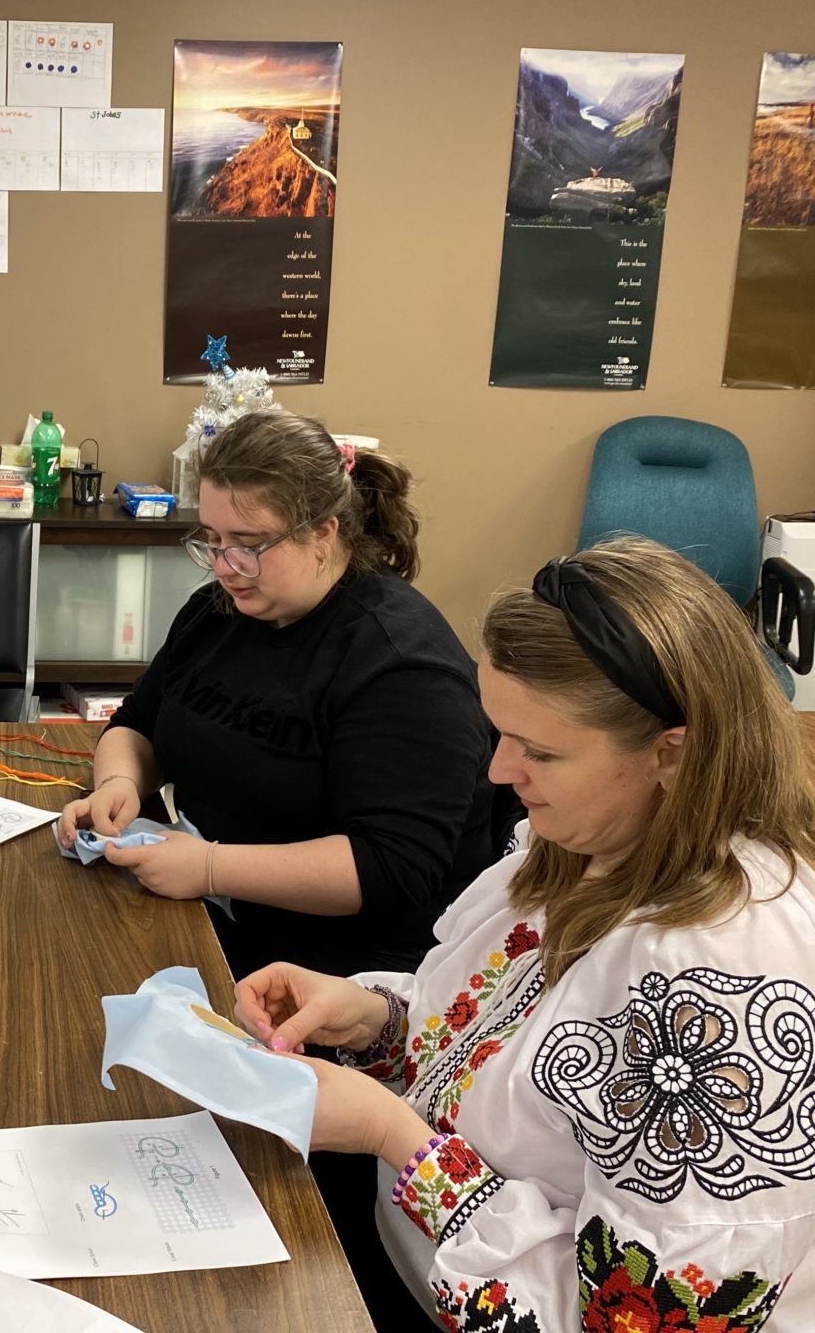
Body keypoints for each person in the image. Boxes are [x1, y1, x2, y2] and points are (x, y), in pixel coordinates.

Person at [235, 537, 815, 1333]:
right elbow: (525, 1036)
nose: (497, 769)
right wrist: (379, 1020)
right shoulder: (601, 835)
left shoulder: (739, 982)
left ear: (673, 752)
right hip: (437, 1288)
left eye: (541, 752)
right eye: (501, 733)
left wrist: (392, 1137)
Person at [58, 411, 508, 979]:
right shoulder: (220, 612)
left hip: (348, 971)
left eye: (247, 544)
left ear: (324, 532)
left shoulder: (402, 666)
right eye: (213, 540)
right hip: (219, 912)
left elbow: (392, 867)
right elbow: (138, 722)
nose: (225, 567)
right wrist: (119, 784)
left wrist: (213, 868)